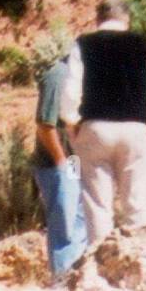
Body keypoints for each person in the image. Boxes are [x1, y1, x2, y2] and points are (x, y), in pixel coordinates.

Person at [60, 0, 146, 244]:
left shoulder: (84, 44)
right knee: (138, 202)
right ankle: (140, 261)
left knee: (98, 203)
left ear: (98, 19)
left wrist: (71, 123)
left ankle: (101, 265)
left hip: (95, 128)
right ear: (127, 19)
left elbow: (70, 90)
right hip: (136, 128)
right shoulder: (145, 45)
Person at [32, 45, 87, 276]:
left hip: (75, 161)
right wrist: (62, 163)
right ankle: (63, 280)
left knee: (80, 221)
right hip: (57, 163)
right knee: (65, 225)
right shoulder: (59, 75)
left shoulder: (80, 78)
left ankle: (78, 279)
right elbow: (45, 126)